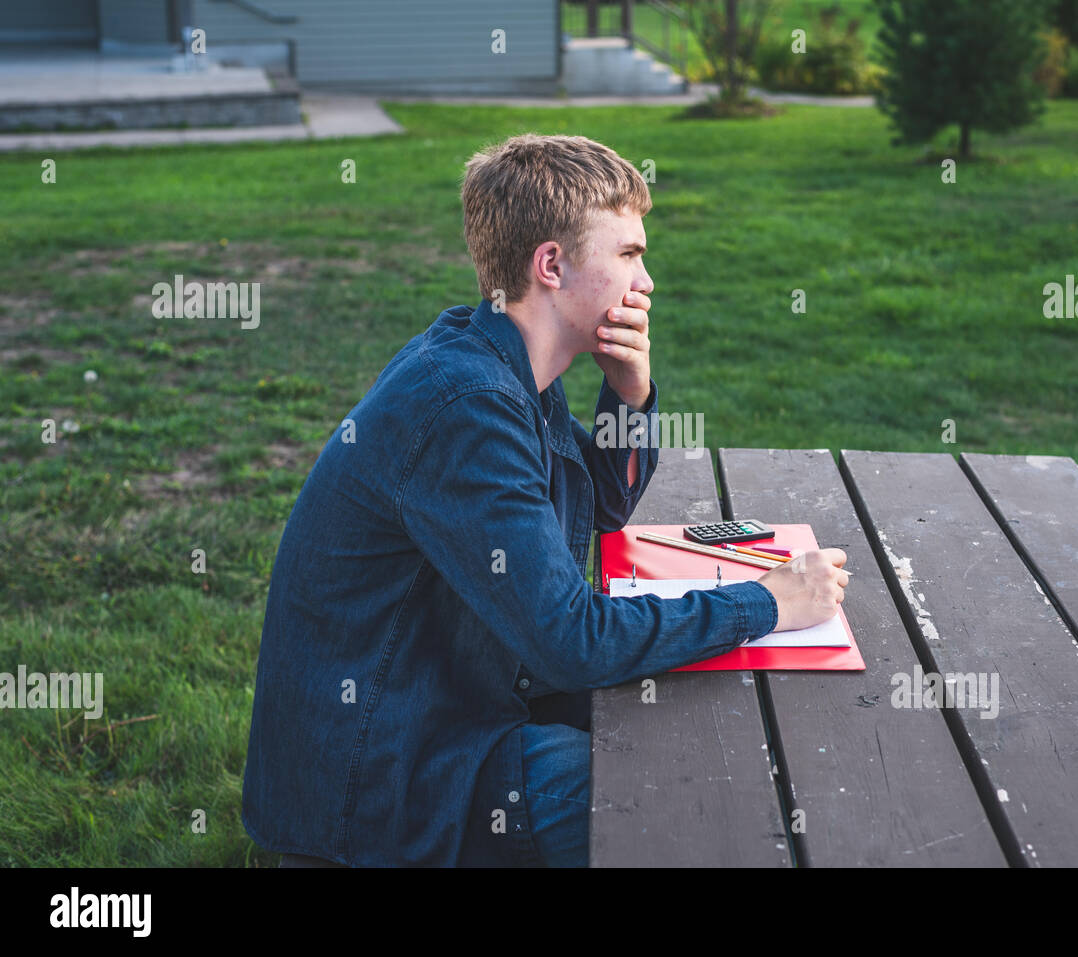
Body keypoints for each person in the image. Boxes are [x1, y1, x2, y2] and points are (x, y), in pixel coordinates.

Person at [242, 132, 849, 868]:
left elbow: (595, 504)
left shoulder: (500, 353)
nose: (647, 279)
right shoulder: (467, 404)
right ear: (552, 264)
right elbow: (571, 639)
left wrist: (628, 393)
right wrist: (770, 602)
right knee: (671, 786)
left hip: (454, 701)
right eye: (628, 253)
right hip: (392, 772)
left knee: (673, 729)